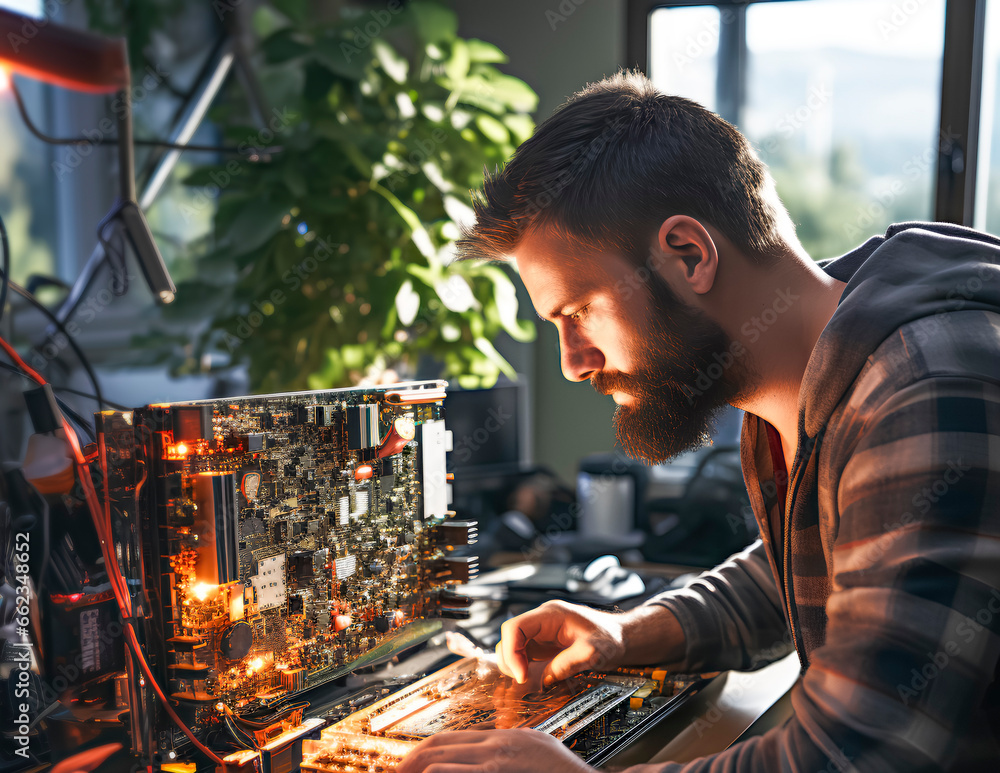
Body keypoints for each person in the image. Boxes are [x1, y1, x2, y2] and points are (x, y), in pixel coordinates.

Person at [396, 70, 1000, 772]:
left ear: (688, 254)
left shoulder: (923, 383)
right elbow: (805, 578)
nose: (571, 361)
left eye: (578, 311)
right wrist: (626, 632)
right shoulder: (807, 381)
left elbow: (856, 757)